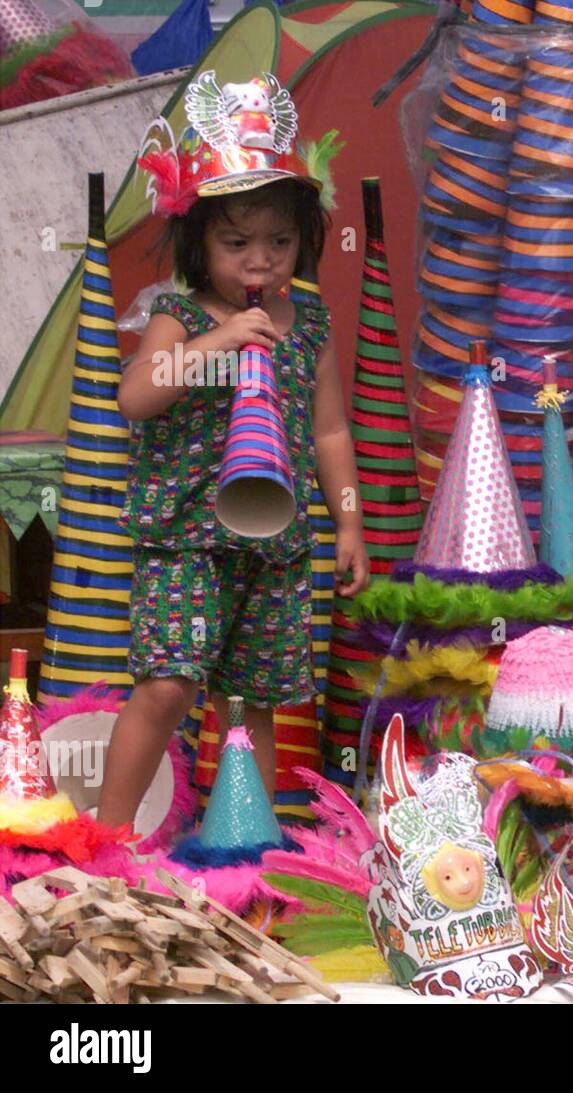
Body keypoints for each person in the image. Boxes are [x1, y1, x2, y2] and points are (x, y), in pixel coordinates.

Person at [97, 71, 368, 829]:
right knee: (167, 687)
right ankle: (109, 846)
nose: (261, 261)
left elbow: (330, 431)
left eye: (280, 242)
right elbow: (137, 394)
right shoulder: (180, 315)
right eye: (237, 241)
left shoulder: (306, 325)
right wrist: (216, 342)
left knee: (252, 698)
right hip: (186, 539)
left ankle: (243, 836)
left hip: (273, 549)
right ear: (198, 238)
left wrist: (349, 522)